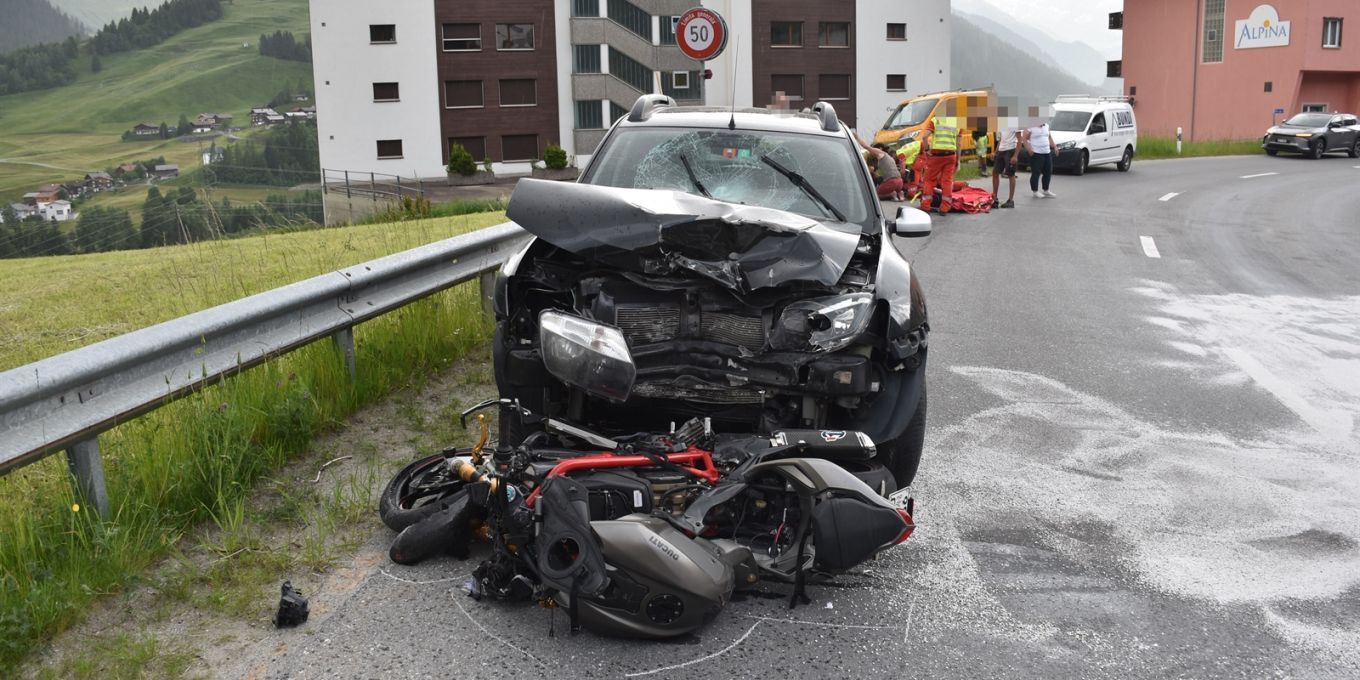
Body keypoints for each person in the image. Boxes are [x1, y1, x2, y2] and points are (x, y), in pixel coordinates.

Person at [919, 100, 961, 216]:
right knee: (947, 181)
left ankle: (925, 205)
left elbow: (924, 137)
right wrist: (958, 159)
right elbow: (959, 144)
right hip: (951, 155)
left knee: (929, 180)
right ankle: (944, 208)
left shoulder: (935, 120)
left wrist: (927, 150)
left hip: (936, 155)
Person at [991, 123, 1025, 208]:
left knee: (1010, 174)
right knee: (995, 173)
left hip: (1010, 151)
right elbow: (1000, 139)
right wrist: (995, 151)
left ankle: (1010, 200)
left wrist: (1015, 156)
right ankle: (995, 199)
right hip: (1001, 150)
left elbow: (1020, 140)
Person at [1025, 120, 1057, 198]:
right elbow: (1024, 138)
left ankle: (1046, 190)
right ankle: (1035, 191)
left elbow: (1049, 137)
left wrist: (1055, 146)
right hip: (1036, 152)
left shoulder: (1046, 125)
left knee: (1048, 171)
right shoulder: (1030, 125)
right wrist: (1029, 148)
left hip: (1047, 152)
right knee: (1036, 172)